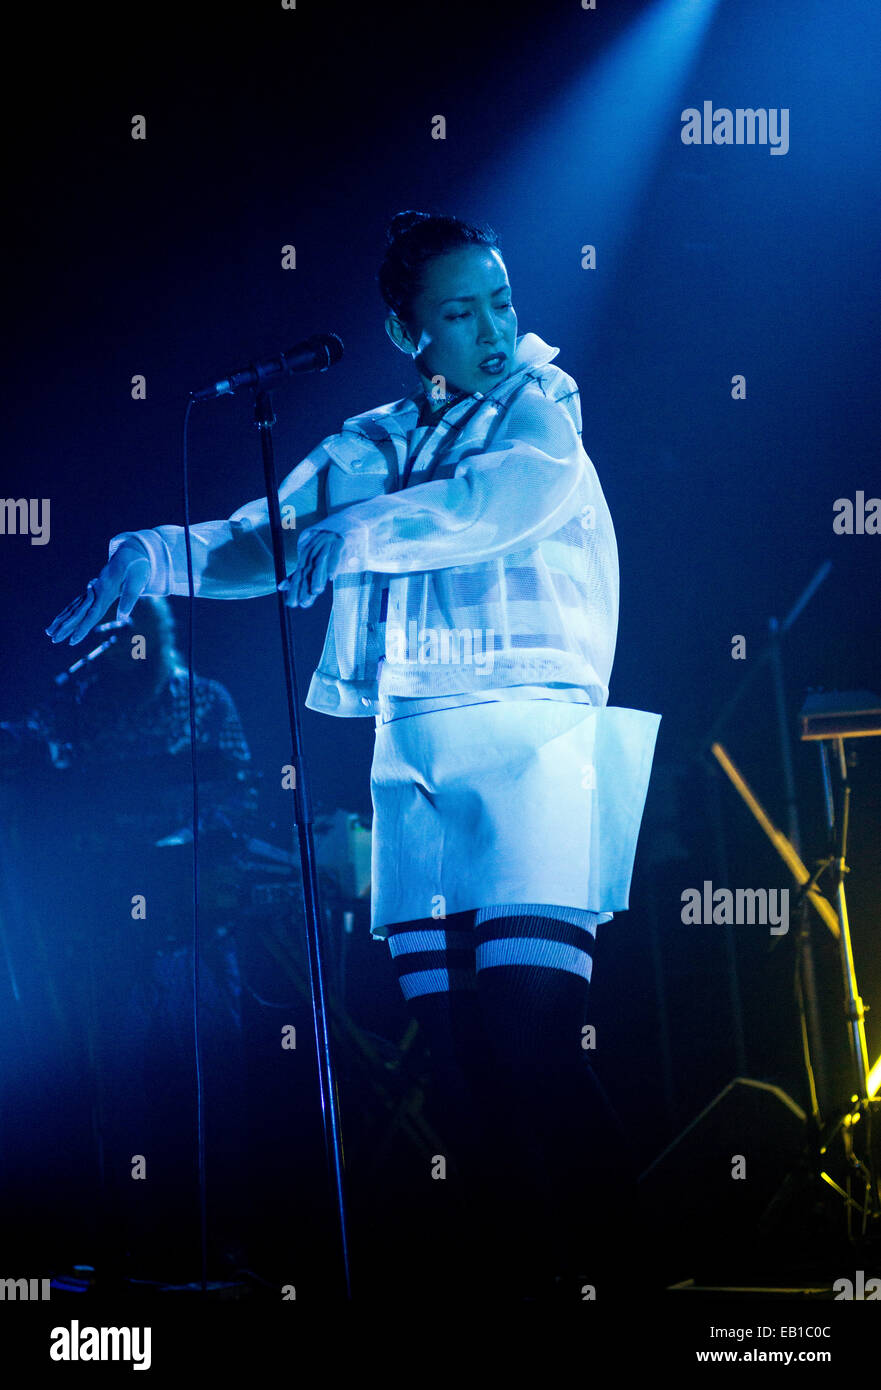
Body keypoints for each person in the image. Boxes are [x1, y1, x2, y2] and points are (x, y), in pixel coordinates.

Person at [47, 209, 661, 1301]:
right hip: (417, 752)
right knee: (459, 1069)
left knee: (528, 1040)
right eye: (459, 312)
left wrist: (362, 531)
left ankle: (624, 1285)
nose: (493, 327)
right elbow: (263, 535)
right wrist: (151, 550)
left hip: (529, 742)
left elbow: (493, 503)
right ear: (402, 331)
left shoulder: (536, 411)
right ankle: (519, 1296)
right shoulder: (376, 440)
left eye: (501, 302)